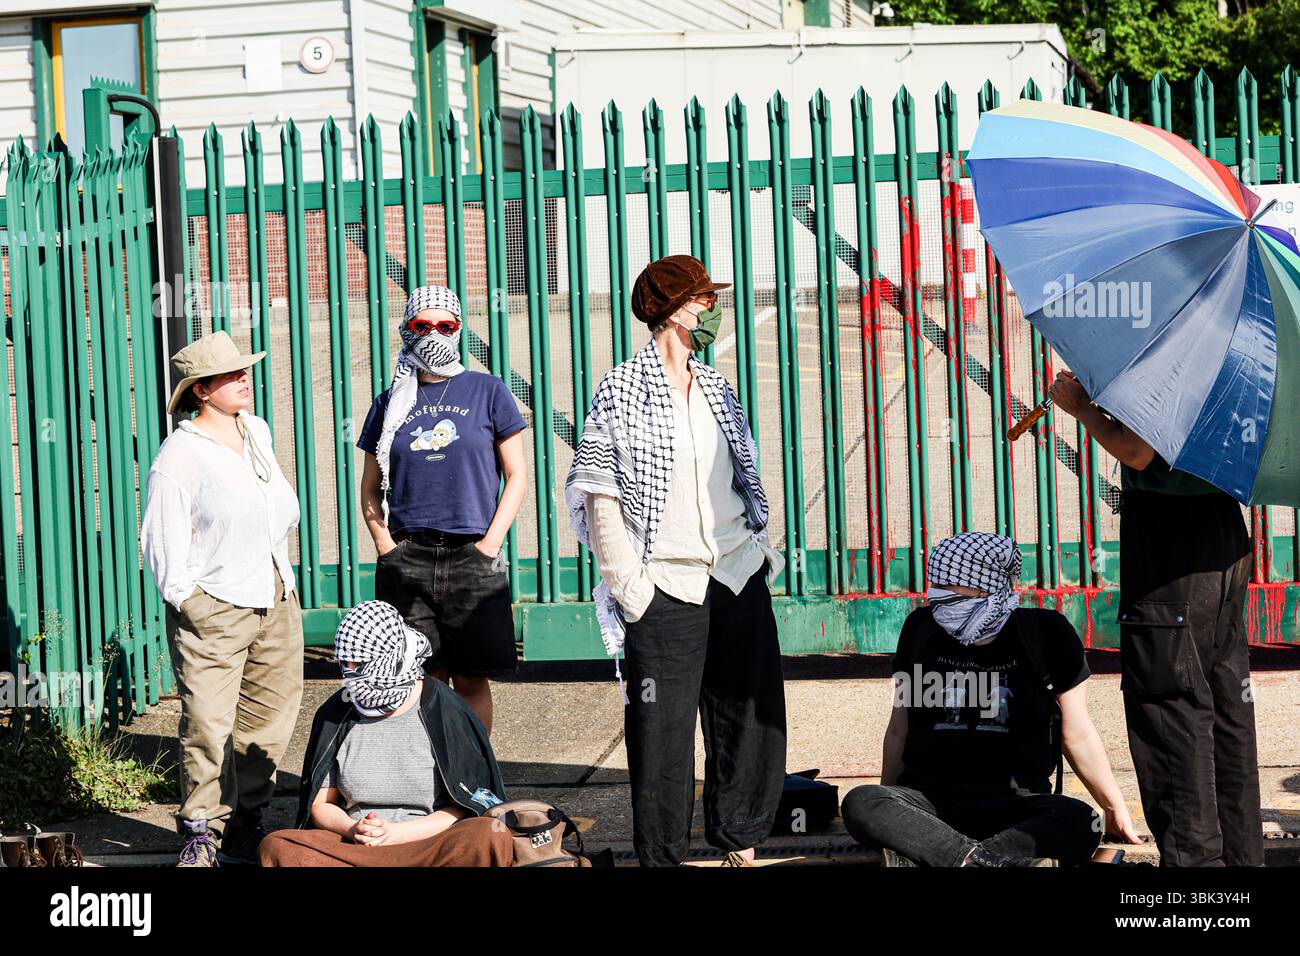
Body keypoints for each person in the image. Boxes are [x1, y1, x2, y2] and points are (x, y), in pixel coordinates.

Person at [565, 254, 787, 868]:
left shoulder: (717, 385)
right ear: (670, 309)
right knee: (660, 732)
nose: (713, 311)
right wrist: (628, 583)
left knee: (746, 716)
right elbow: (599, 487)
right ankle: (662, 854)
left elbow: (745, 474)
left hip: (736, 572)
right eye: (703, 301)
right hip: (664, 579)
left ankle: (738, 833)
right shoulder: (622, 386)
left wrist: (761, 549)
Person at [1049, 368, 1263, 866]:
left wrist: (1082, 408)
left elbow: (1138, 451)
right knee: (1226, 704)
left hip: (1172, 547)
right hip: (1223, 532)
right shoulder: (1231, 359)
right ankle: (1240, 861)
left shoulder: (1171, 352)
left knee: (1171, 708)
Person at [841, 532, 1143, 867]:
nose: (938, 594)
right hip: (930, 801)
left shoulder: (1045, 633)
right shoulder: (920, 628)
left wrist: (1113, 808)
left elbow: (1078, 733)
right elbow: (900, 728)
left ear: (988, 585)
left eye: (952, 584)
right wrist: (893, 816)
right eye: (936, 582)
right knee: (862, 801)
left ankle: (961, 859)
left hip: (1017, 803)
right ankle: (984, 862)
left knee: (1082, 818)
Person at [140, 330, 304, 867]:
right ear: (201, 391)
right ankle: (199, 829)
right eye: (230, 375)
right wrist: (193, 603)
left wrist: (283, 582)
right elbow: (161, 542)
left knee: (268, 721)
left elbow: (275, 511)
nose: (243, 378)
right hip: (217, 605)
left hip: (275, 596)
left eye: (243, 370)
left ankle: (246, 821)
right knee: (209, 724)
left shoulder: (254, 430)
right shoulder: (181, 454)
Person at [357, 285, 527, 734]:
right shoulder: (390, 402)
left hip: (473, 555)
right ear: (407, 330)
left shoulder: (488, 391)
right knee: (421, 677)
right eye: (422, 326)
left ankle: (473, 778)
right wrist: (386, 545)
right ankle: (429, 781)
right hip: (408, 557)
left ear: (458, 330)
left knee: (472, 678)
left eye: (445, 326)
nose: (434, 334)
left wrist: (490, 543)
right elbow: (370, 487)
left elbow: (518, 475)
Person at [259, 600, 512, 867]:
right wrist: (353, 829)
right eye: (346, 662)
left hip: (429, 845)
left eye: (361, 664)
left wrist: (395, 834)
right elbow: (320, 805)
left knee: (487, 836)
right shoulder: (337, 712)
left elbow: (465, 805)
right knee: (278, 846)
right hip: (357, 847)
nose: (350, 674)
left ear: (392, 658)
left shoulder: (444, 707)